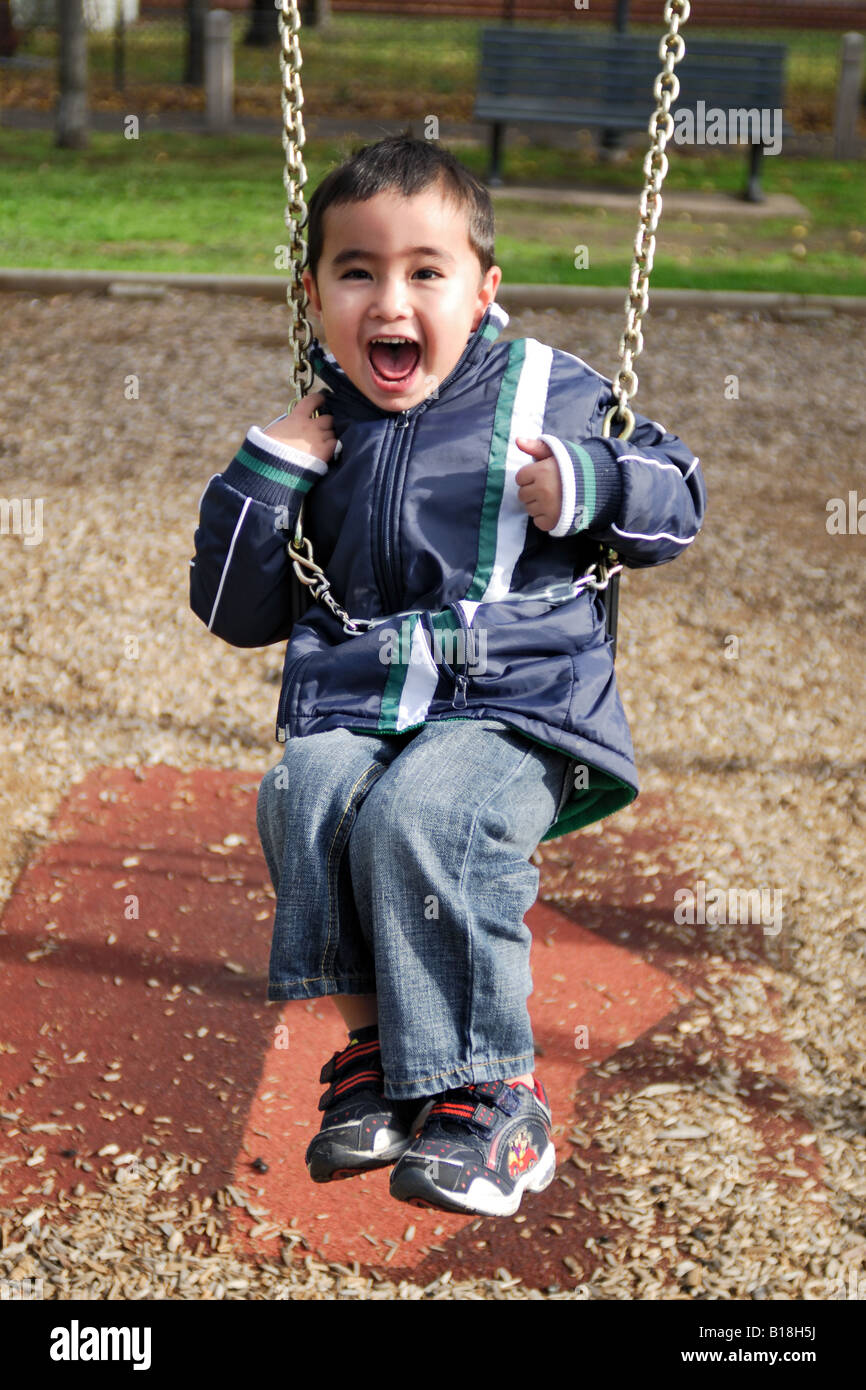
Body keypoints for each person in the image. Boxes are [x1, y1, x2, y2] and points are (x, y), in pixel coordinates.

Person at [189, 133, 706, 1217]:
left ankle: (496, 1098)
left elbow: (675, 499)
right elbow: (235, 610)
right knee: (304, 790)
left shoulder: (546, 391)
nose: (393, 298)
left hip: (519, 710)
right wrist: (268, 468)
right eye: (358, 270)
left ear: (482, 291)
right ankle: (377, 1059)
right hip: (363, 703)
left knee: (421, 814)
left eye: (426, 271)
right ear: (314, 292)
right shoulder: (317, 423)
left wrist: (588, 480)